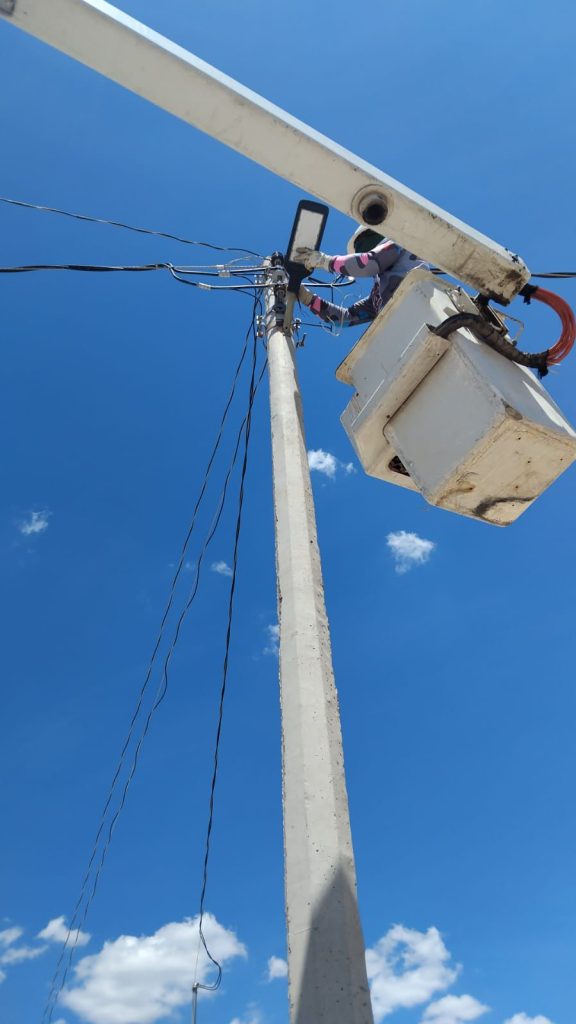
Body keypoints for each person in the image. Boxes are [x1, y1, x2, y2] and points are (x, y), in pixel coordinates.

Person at [294, 227, 429, 328]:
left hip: (424, 305)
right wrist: (308, 299)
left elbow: (370, 262)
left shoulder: (399, 245)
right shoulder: (377, 297)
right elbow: (345, 318)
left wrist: (324, 261)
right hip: (405, 328)